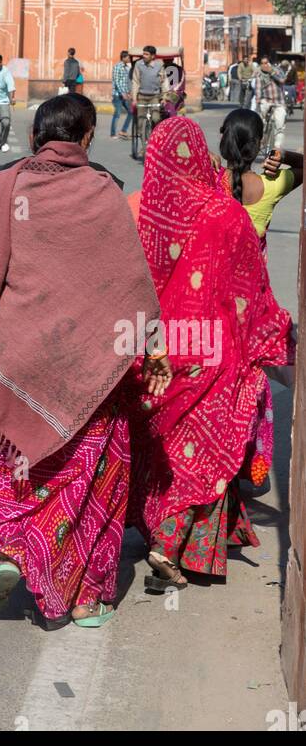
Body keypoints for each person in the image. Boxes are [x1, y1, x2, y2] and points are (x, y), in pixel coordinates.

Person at [0, 93, 162, 628]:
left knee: (20, 465)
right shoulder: (104, 192)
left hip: (21, 355)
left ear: (34, 138)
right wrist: (150, 341)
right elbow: (128, 281)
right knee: (93, 474)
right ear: (88, 137)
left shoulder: (6, 186)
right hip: (89, 366)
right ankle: (88, 597)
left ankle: (11, 551)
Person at [125, 116, 293, 591]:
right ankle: (171, 543)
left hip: (159, 351)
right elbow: (254, 294)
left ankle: (157, 530)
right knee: (205, 450)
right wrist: (274, 338)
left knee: (166, 446)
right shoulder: (228, 213)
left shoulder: (146, 215)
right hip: (216, 354)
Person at [216, 108, 303, 247]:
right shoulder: (272, 185)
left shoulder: (209, 176)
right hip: (252, 268)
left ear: (224, 140)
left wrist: (206, 155)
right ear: (259, 143)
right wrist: (283, 155)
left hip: (210, 268)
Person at [251, 55, 287, 151]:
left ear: (269, 63)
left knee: (280, 124)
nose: (264, 65)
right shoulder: (259, 74)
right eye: (262, 63)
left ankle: (277, 147)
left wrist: (271, 72)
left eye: (266, 63)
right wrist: (258, 101)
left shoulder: (277, 71)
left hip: (279, 102)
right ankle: (261, 140)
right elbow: (258, 90)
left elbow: (282, 80)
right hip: (266, 101)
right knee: (260, 121)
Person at [130, 44, 164, 139]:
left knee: (156, 118)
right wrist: (134, 99)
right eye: (143, 53)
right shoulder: (138, 64)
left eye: (146, 54)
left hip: (154, 97)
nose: (144, 56)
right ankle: (143, 141)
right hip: (142, 96)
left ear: (153, 56)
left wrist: (165, 97)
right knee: (140, 121)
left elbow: (164, 81)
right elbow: (135, 81)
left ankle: (154, 135)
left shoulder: (159, 65)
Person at [111, 49, 131, 139]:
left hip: (125, 94)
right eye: (128, 57)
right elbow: (117, 81)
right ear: (123, 57)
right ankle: (113, 134)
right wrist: (122, 93)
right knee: (117, 114)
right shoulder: (117, 67)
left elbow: (126, 82)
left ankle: (123, 130)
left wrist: (128, 92)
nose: (129, 59)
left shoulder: (127, 67)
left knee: (131, 112)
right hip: (117, 95)